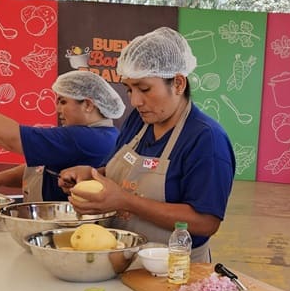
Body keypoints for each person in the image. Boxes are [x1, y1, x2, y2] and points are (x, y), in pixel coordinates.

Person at [60, 27, 236, 262]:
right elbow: (120, 174)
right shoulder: (139, 120)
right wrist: (92, 175)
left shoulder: (206, 139)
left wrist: (126, 201)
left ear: (178, 84)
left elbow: (206, 222)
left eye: (144, 89)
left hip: (172, 269)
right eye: (129, 89)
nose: (135, 101)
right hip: (121, 258)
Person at [0, 71, 124, 201]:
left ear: (88, 105)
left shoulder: (84, 138)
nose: (57, 109)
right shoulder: (101, 135)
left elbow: (9, 138)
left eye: (63, 102)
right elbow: (41, 167)